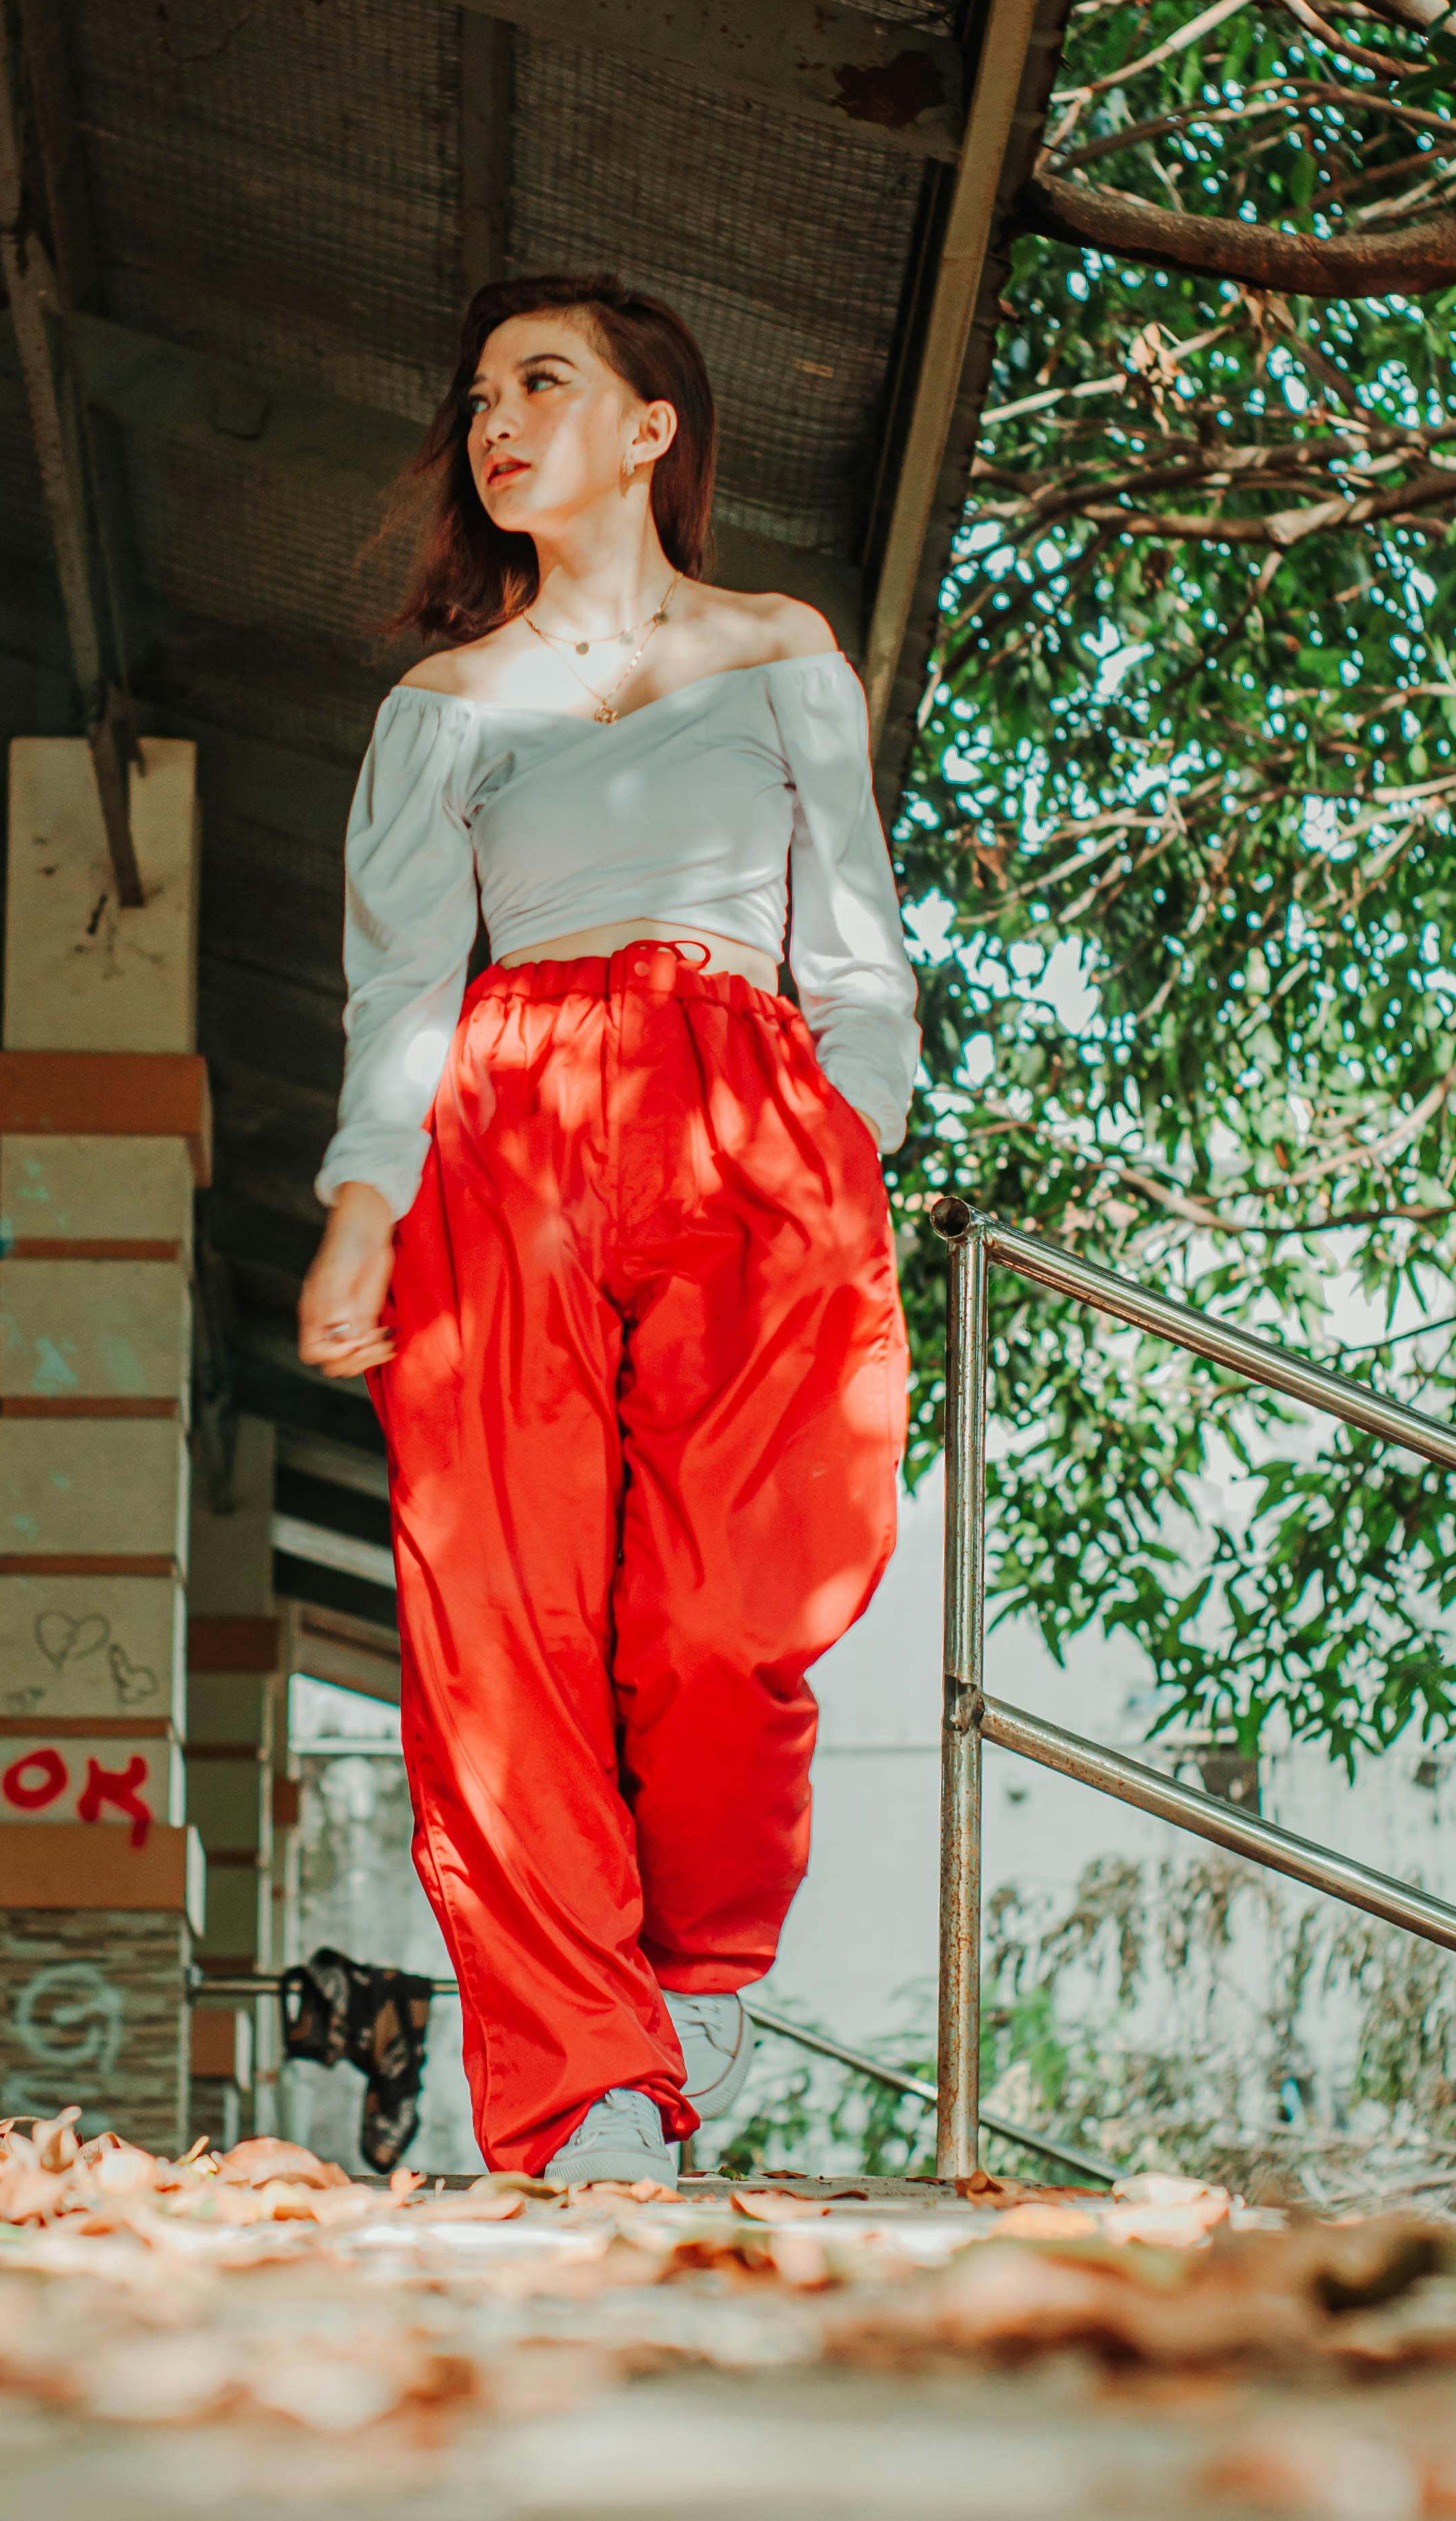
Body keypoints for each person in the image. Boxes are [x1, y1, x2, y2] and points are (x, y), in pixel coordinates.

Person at [298, 273, 918, 2184]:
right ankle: (578, 2085)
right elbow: (401, 987)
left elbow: (862, 956)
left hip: (749, 1118)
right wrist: (357, 1210)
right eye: (480, 390)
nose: (499, 417)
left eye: (544, 382)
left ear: (650, 426)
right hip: (508, 1128)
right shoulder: (441, 709)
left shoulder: (778, 651)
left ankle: (700, 1957)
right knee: (503, 1616)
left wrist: (848, 1148)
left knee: (735, 1606)